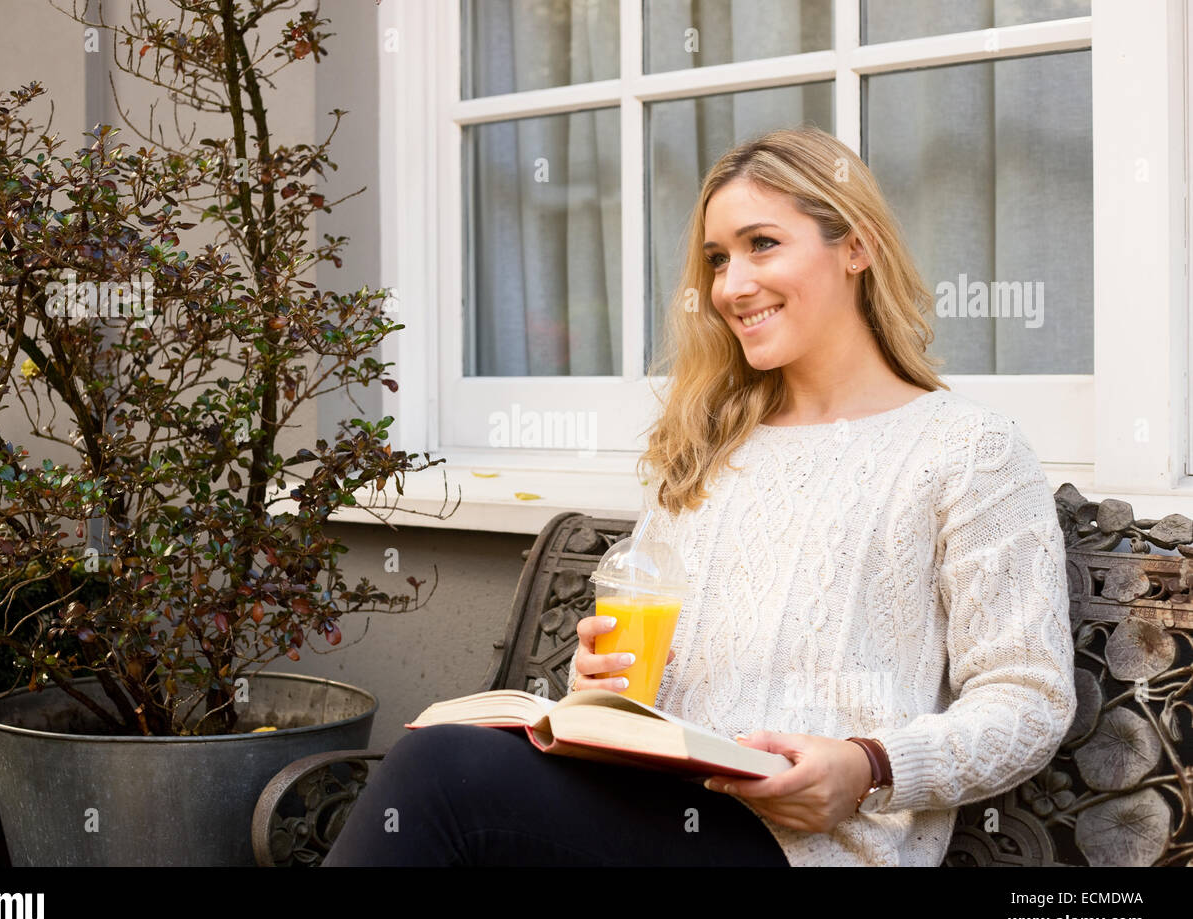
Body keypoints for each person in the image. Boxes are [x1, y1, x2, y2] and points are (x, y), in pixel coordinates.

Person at [323, 124, 1076, 866]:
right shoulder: (711, 444)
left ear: (856, 247)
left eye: (762, 245)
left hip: (805, 849)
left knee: (443, 779)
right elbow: (653, 680)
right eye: (717, 259)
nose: (731, 286)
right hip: (653, 809)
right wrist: (602, 694)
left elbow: (1029, 697)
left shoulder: (968, 450)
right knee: (445, 757)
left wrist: (868, 765)